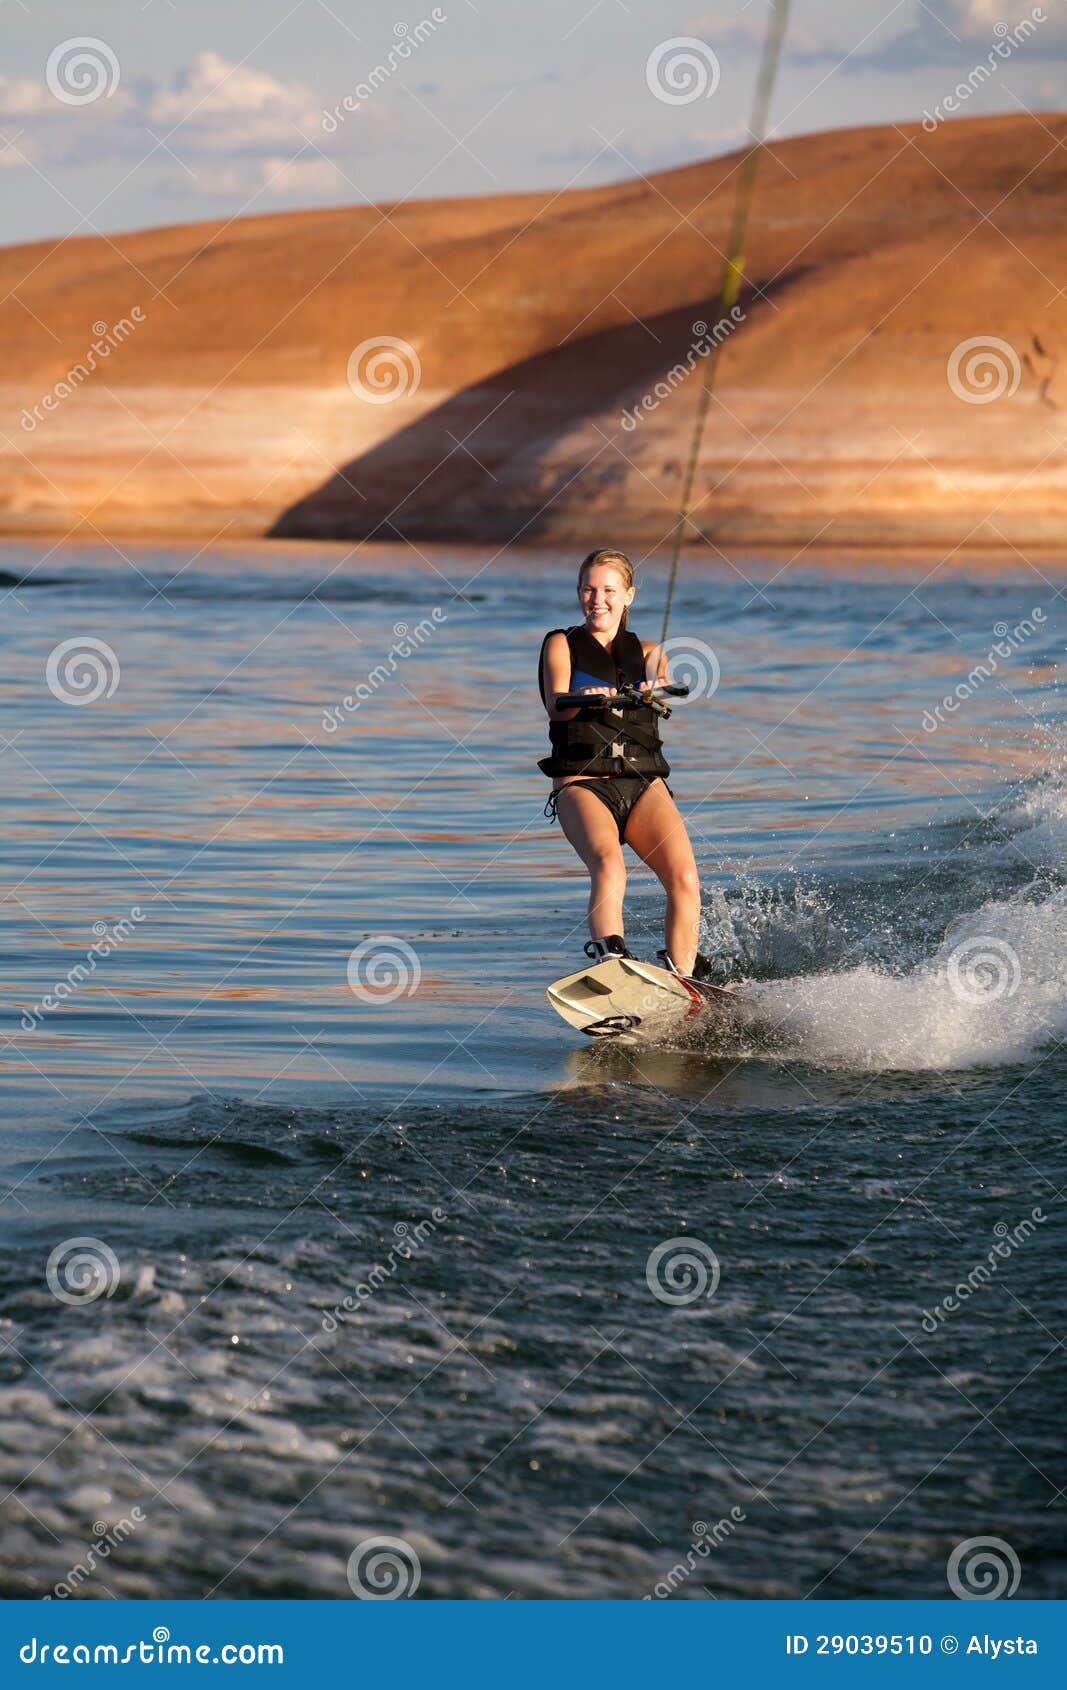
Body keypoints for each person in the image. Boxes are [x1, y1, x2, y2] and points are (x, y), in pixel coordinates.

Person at [538, 548, 713, 980]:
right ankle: (612, 963)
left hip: (642, 782)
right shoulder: (561, 643)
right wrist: (585, 698)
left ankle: (683, 977)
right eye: (588, 589)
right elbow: (556, 706)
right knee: (609, 864)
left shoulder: (651, 651)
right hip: (583, 783)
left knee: (686, 878)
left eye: (608, 590)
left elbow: (669, 687)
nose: (597, 599)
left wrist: (658, 688)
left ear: (628, 595)